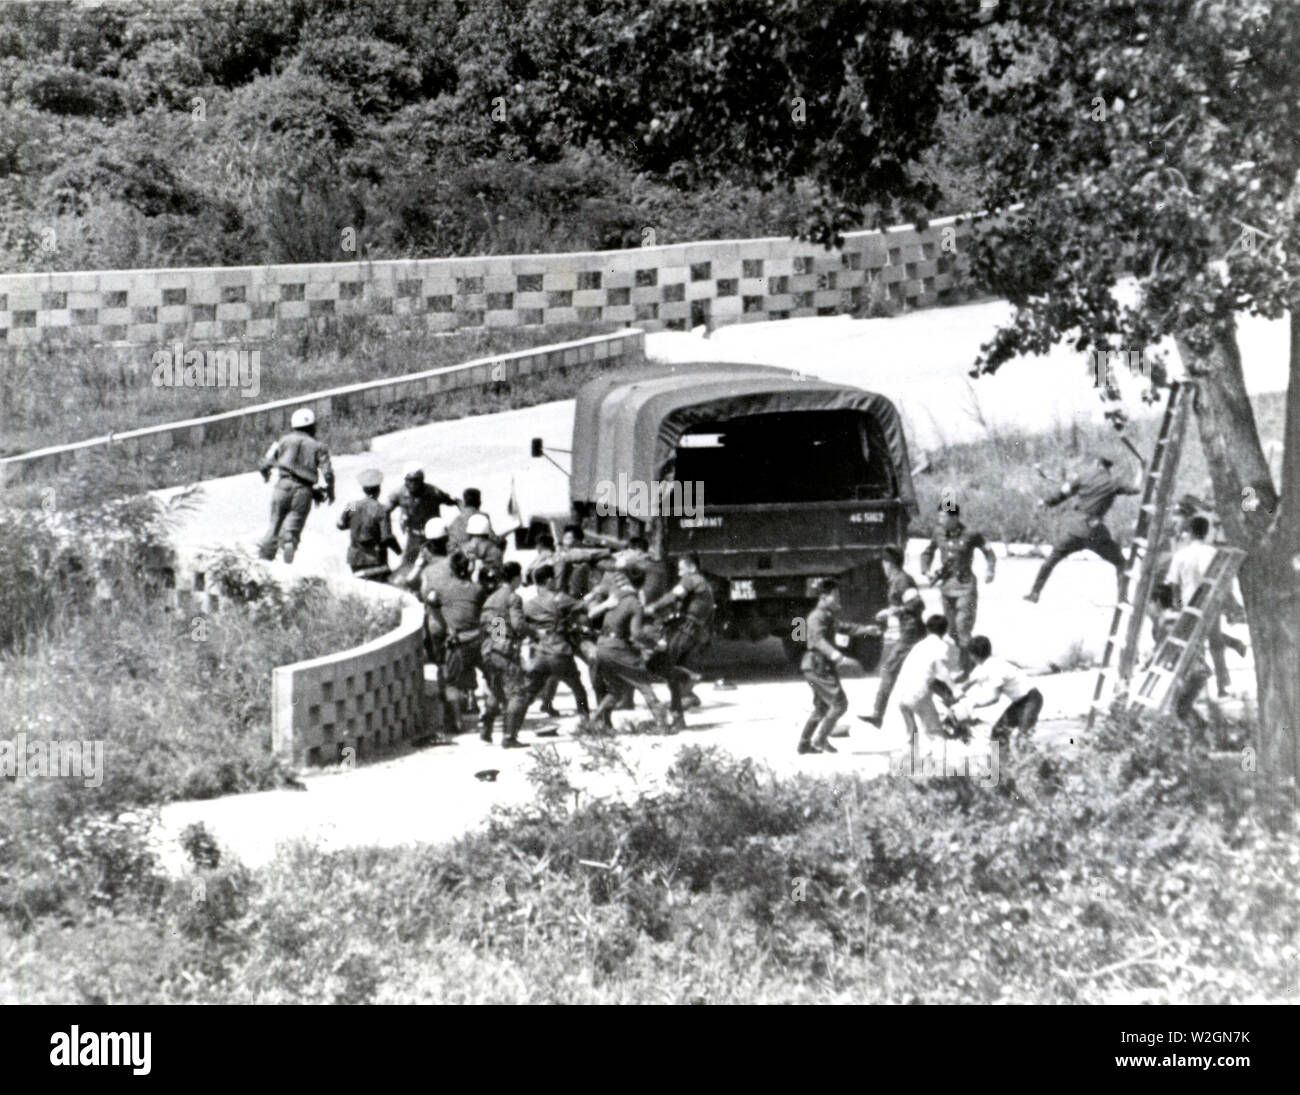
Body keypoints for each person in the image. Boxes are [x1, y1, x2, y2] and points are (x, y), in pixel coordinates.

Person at [1026, 453, 1140, 604]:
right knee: (1121, 563)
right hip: (1094, 533)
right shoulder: (1113, 482)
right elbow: (1136, 489)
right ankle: (1122, 599)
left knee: (1051, 560)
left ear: (1097, 464)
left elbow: (1062, 494)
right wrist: (1142, 470)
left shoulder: (1083, 477)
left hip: (1073, 531)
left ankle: (1034, 593)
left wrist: (1046, 502)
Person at [1166, 515, 1247, 697]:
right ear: (1206, 531)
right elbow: (1223, 579)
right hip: (1210, 602)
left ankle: (1199, 690)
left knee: (1194, 647)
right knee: (1216, 643)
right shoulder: (1213, 552)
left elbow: (1174, 584)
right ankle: (1222, 685)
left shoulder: (1180, 554)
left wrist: (1178, 605)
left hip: (1188, 603)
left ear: (1191, 532)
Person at [797, 578, 875, 755]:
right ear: (824, 597)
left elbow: (844, 627)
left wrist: (866, 630)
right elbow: (817, 640)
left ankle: (804, 743)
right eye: (835, 596)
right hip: (818, 666)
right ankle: (819, 740)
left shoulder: (827, 615)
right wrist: (838, 657)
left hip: (818, 666)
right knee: (840, 704)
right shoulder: (817, 616)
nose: (839, 600)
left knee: (822, 707)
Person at [591, 565, 671, 730]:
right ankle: (662, 725)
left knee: (615, 690)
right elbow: (636, 634)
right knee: (643, 684)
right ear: (640, 585)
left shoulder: (615, 598)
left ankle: (594, 719)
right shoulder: (634, 602)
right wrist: (656, 645)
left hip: (601, 646)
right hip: (616, 647)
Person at [920, 502, 995, 672]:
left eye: (943, 516)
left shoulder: (971, 534)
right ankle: (969, 663)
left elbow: (989, 552)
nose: (939, 520)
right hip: (947, 588)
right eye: (939, 516)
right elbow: (928, 552)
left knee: (963, 628)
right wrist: (926, 570)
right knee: (952, 631)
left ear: (954, 517)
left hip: (966, 587)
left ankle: (967, 669)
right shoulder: (938, 532)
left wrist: (990, 570)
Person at [859, 546, 926, 729]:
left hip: (911, 634)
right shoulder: (897, 580)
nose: (883, 566)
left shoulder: (902, 580)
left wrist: (892, 611)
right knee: (922, 673)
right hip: (910, 632)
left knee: (889, 669)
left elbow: (918, 604)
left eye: (884, 562)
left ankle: (877, 715)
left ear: (889, 563)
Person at [257, 407, 334, 563]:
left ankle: (265, 558)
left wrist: (266, 475)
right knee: (292, 527)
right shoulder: (318, 446)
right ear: (312, 427)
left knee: (274, 523)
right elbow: (328, 473)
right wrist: (330, 491)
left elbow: (264, 463)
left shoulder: (282, 441)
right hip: (303, 490)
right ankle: (289, 545)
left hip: (282, 485)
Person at [423, 551, 486, 737]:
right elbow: (492, 613)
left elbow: (430, 603)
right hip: (478, 640)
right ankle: (489, 714)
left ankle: (456, 721)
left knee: (451, 683)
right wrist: (498, 637)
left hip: (456, 642)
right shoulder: (478, 589)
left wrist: (444, 623)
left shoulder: (442, 589)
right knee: (491, 676)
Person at [522, 563, 592, 732]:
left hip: (540, 652)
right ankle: (585, 721)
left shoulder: (528, 604)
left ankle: (512, 725)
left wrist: (500, 638)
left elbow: (515, 623)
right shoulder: (560, 599)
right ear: (549, 581)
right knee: (578, 688)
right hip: (560, 651)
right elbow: (584, 607)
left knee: (529, 692)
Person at [647, 551, 715, 723]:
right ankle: (679, 713)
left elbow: (674, 595)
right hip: (695, 632)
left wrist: (653, 607)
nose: (679, 573)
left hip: (685, 630)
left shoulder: (691, 579)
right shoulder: (705, 583)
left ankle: (689, 681)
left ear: (691, 567)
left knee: (658, 664)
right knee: (671, 669)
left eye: (681, 569)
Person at [956, 635, 1043, 748]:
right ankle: (999, 765)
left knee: (1023, 740)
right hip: (1021, 702)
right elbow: (969, 682)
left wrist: (973, 705)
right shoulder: (985, 665)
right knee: (997, 736)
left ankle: (1041, 765)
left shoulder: (994, 668)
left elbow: (995, 698)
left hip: (1031, 700)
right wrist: (955, 695)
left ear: (973, 655)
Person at [892, 615, 961, 757]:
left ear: (928, 629)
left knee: (911, 736)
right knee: (936, 734)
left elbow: (927, 675)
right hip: (918, 694)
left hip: (901, 694)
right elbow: (941, 670)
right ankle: (940, 770)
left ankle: (907, 767)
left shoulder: (919, 646)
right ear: (945, 631)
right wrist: (955, 690)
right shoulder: (940, 646)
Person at [1149, 582, 1212, 733]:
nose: (1148, 609)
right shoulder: (1178, 617)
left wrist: (1151, 660)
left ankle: (1198, 734)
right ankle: (1200, 732)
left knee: (1179, 709)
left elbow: (1165, 647)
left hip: (1191, 671)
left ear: (1157, 602)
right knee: (1182, 708)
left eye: (1149, 604)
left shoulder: (1166, 622)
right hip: (1195, 669)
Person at [479, 562, 531, 748]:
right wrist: (532, 632)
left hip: (489, 650)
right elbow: (518, 625)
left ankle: (486, 726)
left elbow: (495, 626)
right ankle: (509, 737)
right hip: (504, 652)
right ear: (516, 578)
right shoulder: (513, 597)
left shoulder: (491, 599)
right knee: (518, 693)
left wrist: (497, 641)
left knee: (497, 689)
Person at [387, 463, 457, 573]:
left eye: (416, 480)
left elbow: (453, 501)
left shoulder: (433, 492)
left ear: (422, 479)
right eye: (409, 480)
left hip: (433, 539)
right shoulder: (398, 493)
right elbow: (384, 511)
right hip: (413, 537)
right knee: (407, 566)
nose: (413, 484)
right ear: (405, 480)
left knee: (439, 566)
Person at [336, 468, 401, 582]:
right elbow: (386, 537)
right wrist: (399, 552)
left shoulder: (352, 505)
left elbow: (340, 525)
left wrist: (355, 524)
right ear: (379, 489)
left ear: (363, 489)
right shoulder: (382, 509)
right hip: (375, 559)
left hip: (354, 558)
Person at [447, 488, 494, 554]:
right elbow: (492, 538)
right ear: (479, 503)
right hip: (474, 553)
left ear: (464, 503)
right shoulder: (483, 516)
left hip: (457, 555)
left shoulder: (456, 520)